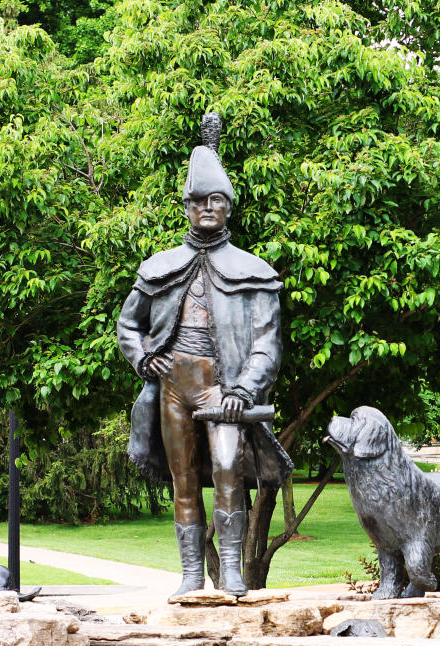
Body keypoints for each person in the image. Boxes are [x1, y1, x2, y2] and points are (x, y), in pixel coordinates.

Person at [117, 113, 291, 598]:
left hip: (223, 387)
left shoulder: (254, 273)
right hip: (173, 384)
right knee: (184, 480)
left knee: (228, 471)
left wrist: (242, 389)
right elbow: (128, 324)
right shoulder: (160, 268)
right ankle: (193, 572)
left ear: (229, 207)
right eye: (198, 201)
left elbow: (267, 343)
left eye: (215, 200)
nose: (206, 208)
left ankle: (232, 569)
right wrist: (141, 357)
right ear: (187, 209)